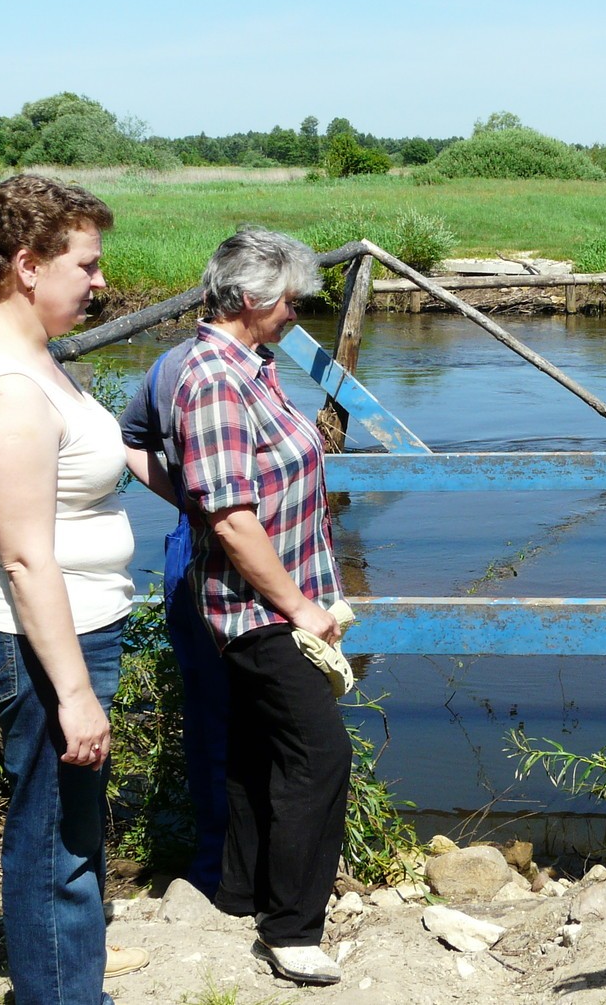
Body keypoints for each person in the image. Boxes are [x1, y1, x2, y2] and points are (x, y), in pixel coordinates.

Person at [0, 174, 149, 1004]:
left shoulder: (25, 351)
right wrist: (76, 693)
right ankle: (59, 990)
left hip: (61, 630)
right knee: (55, 838)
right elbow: (25, 558)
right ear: (28, 263)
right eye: (86, 265)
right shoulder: (7, 388)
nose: (100, 282)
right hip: (37, 641)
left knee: (68, 828)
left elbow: (87, 456)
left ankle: (69, 970)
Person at [170, 227, 350, 988]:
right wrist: (300, 607)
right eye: (291, 299)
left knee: (254, 749)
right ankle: (292, 929)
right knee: (319, 753)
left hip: (270, 602)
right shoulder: (215, 378)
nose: (298, 310)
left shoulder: (254, 366)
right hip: (257, 612)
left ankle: (243, 890)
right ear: (250, 300)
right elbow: (232, 519)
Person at [120, 336, 230, 896]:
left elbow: (132, 439)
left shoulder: (167, 364)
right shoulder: (206, 368)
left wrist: (184, 500)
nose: (293, 311)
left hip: (192, 544)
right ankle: (226, 867)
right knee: (229, 715)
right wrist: (193, 504)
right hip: (218, 550)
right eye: (288, 300)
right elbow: (132, 440)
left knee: (208, 715)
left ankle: (215, 864)